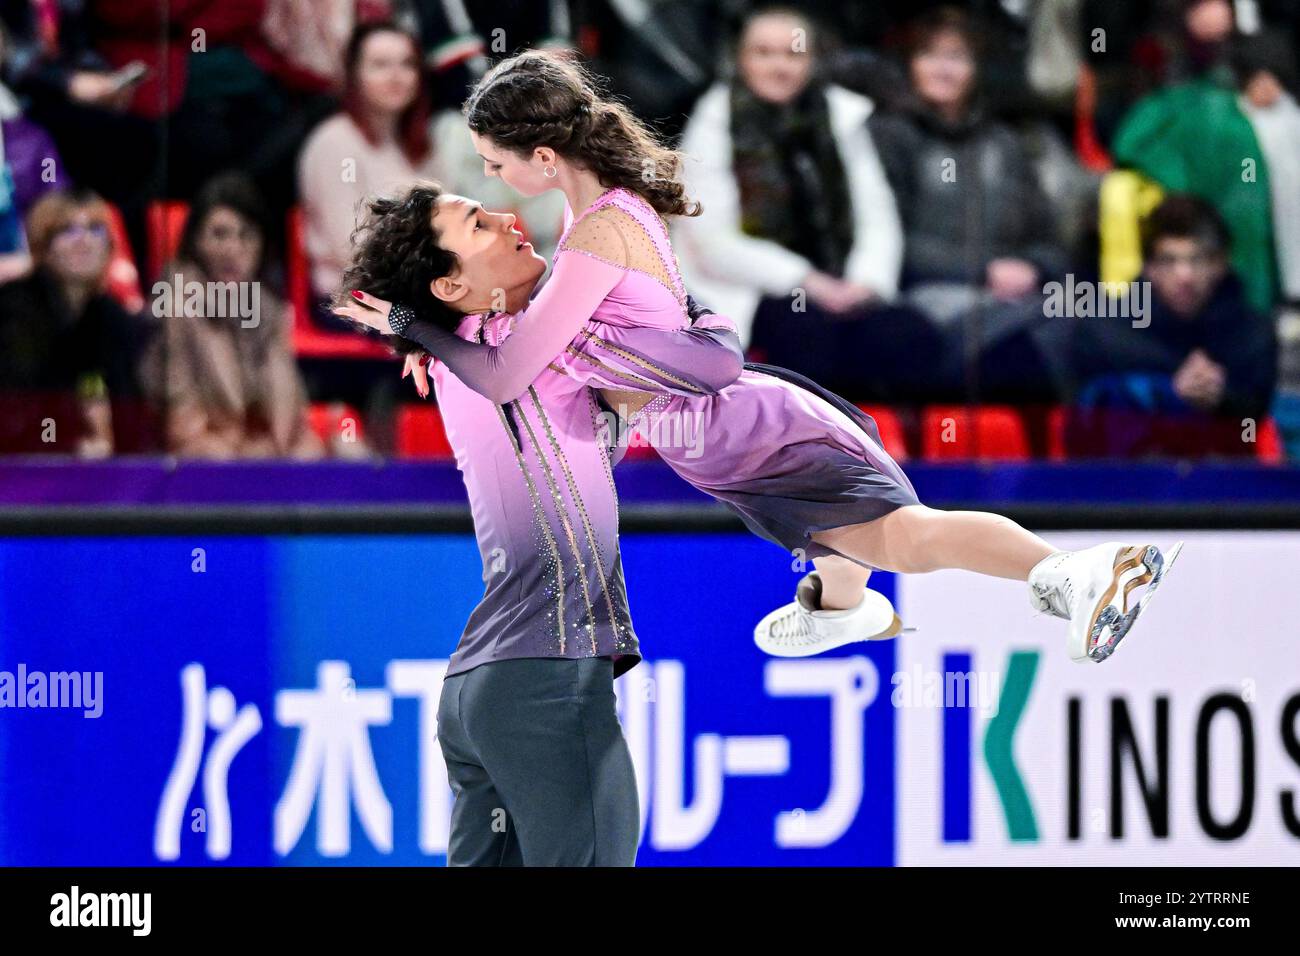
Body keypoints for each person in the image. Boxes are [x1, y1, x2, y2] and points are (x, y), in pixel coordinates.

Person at [335, 49, 1183, 667]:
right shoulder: (596, 225)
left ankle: (1077, 574)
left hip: (752, 426)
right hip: (731, 439)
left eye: (492, 163)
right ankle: (838, 610)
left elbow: (512, 372)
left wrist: (418, 327)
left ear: (543, 158)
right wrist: (438, 341)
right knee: (847, 540)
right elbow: (557, 356)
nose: (489, 178)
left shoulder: (594, 238)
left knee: (908, 539)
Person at [337, 182, 744, 866]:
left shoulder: (457, 357)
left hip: (480, 690)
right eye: (477, 223)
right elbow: (714, 363)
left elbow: (590, 410)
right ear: (451, 282)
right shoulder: (533, 345)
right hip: (545, 683)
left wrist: (416, 327)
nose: (505, 217)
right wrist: (687, 301)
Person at [673, 7, 942, 402]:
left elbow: (877, 215)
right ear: (741, 59)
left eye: (793, 53)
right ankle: (813, 451)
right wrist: (807, 281)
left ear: (812, 60)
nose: (779, 66)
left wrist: (865, 283)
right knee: (806, 333)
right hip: (754, 291)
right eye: (764, 53)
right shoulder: (715, 118)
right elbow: (713, 244)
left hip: (844, 288)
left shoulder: (840, 114)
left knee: (909, 334)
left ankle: (897, 454)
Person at [868, 6, 1068, 403]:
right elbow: (886, 244)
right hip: (923, 301)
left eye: (957, 57)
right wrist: (984, 269)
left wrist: (1035, 267)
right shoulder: (888, 136)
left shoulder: (1005, 143)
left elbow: (1050, 237)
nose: (943, 70)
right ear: (909, 64)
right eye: (930, 56)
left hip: (1018, 301)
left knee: (1084, 318)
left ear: (977, 69)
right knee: (1023, 349)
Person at [1065, 194, 1277, 458]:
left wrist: (1222, 398)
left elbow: (1254, 415)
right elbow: (1086, 417)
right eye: (1169, 260)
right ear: (1149, 267)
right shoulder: (1106, 330)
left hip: (1223, 484)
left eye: (1197, 260)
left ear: (1220, 264)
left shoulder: (1250, 333)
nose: (1184, 276)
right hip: (1126, 482)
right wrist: (1170, 392)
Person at [141, 174, 329, 460]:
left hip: (260, 463)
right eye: (219, 234)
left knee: (316, 454)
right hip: (198, 471)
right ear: (195, 243)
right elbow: (181, 432)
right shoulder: (173, 310)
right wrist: (257, 458)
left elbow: (294, 425)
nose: (233, 248)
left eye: (246, 235)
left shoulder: (269, 311)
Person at [298, 21, 442, 329]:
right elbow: (350, 248)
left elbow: (450, 226)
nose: (395, 76)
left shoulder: (423, 146)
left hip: (417, 296)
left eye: (407, 64)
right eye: (379, 65)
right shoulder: (335, 142)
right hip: (351, 303)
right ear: (354, 75)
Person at [0, 187, 155, 454]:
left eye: (95, 229)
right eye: (67, 230)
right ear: (42, 247)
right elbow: (17, 416)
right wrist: (74, 445)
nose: (83, 241)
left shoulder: (110, 316)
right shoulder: (12, 311)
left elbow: (132, 417)